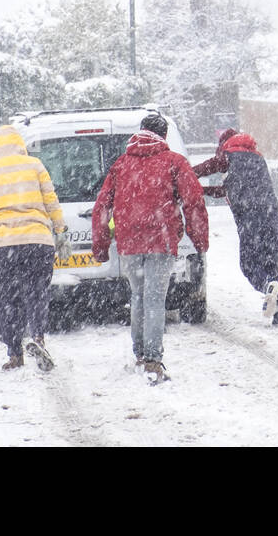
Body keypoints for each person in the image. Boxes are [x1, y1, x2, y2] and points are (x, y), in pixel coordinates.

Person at [92, 113, 209, 383]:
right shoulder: (174, 162)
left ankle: (140, 353)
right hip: (162, 239)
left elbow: (102, 205)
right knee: (155, 298)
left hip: (129, 243)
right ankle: (153, 359)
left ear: (141, 132)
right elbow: (193, 202)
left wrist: (100, 243)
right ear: (164, 135)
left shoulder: (121, 164)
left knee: (138, 295)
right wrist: (199, 239)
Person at [0, 125, 70, 372]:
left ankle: (14, 353)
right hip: (37, 241)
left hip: (3, 245)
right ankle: (38, 337)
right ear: (19, 143)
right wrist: (61, 232)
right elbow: (51, 201)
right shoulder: (35, 165)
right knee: (37, 293)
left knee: (7, 299)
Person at [194, 129, 278, 324]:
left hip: (250, 217)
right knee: (270, 264)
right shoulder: (258, 159)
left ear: (223, 145)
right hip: (271, 215)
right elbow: (228, 190)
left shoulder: (227, 156)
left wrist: (187, 177)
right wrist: (201, 190)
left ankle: (267, 287)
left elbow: (204, 169)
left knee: (249, 265)